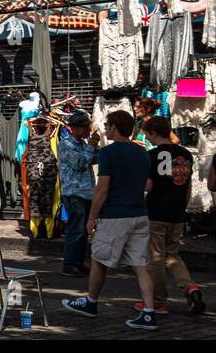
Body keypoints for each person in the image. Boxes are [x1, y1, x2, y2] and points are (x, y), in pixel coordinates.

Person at [62, 109, 159, 330]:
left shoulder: (108, 153)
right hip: (139, 214)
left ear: (114, 127)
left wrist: (92, 217)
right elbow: (148, 185)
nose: (105, 129)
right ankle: (149, 312)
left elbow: (102, 188)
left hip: (115, 214)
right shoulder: (143, 153)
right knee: (140, 265)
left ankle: (91, 302)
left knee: (99, 259)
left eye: (107, 126)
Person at [142, 117, 204, 316]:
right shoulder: (186, 154)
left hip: (156, 211)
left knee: (156, 258)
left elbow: (148, 186)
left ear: (153, 133)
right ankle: (189, 287)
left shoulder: (151, 155)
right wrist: (183, 208)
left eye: (147, 134)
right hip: (177, 211)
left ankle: (159, 301)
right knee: (172, 255)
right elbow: (187, 186)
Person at [58, 110, 99, 276]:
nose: (87, 131)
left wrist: (94, 147)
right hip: (74, 193)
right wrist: (91, 146)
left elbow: (93, 159)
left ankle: (79, 263)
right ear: (73, 128)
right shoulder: (65, 144)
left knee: (83, 231)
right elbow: (81, 163)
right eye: (84, 128)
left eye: (87, 127)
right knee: (76, 230)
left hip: (87, 193)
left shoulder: (83, 144)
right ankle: (69, 264)